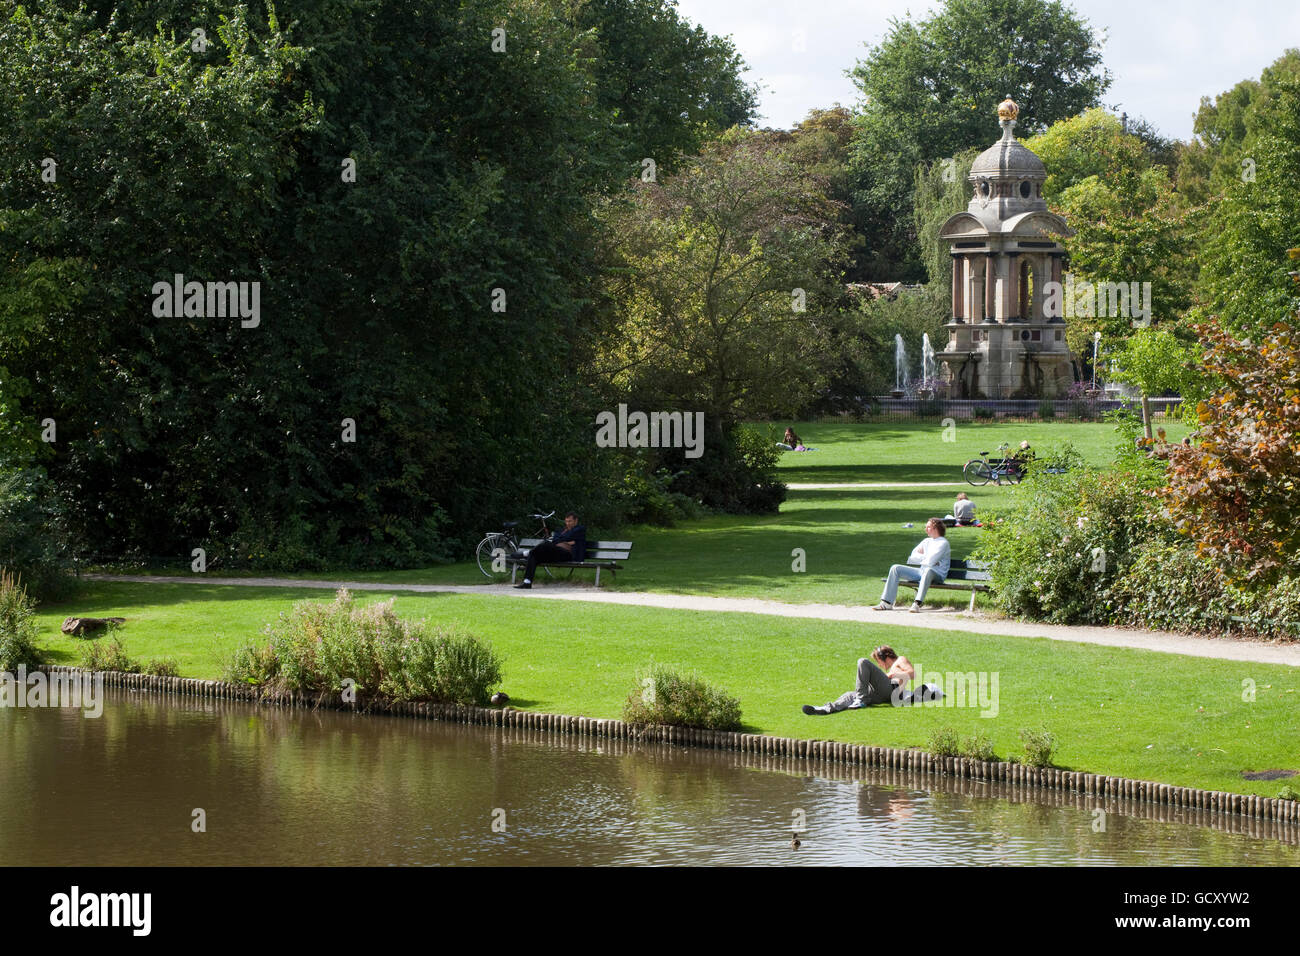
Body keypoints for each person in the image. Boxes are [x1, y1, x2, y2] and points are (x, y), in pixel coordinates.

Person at [801, 645, 940, 714]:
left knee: (862, 662)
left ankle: (860, 699)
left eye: (879, 661)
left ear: (885, 657)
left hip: (891, 689)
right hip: (881, 695)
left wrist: (893, 674)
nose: (879, 665)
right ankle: (825, 709)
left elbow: (912, 674)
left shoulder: (900, 660)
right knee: (850, 695)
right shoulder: (888, 669)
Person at [871, 517, 950, 612]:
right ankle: (886, 603)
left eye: (928, 527)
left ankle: (917, 604)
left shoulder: (943, 543)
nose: (925, 529)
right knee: (895, 568)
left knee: (928, 570)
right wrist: (927, 557)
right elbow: (912, 558)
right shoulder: (926, 541)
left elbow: (930, 561)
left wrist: (925, 557)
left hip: (937, 575)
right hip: (922, 572)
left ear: (936, 528)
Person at [513, 512, 586, 589]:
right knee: (534, 555)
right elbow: (555, 540)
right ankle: (527, 582)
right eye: (566, 521)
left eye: (570, 521)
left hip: (568, 554)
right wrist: (568, 541)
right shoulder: (561, 529)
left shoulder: (580, 529)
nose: (567, 523)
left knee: (546, 543)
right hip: (556, 553)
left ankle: (527, 553)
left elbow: (566, 536)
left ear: (576, 521)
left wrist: (562, 539)